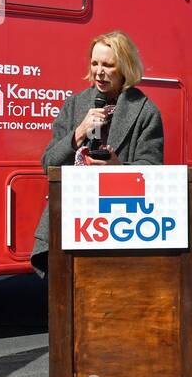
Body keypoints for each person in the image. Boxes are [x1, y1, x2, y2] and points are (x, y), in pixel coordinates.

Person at [31, 31, 164, 276]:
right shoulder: (74, 105)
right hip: (72, 220)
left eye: (108, 65)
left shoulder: (146, 112)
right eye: (95, 63)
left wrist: (117, 169)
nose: (99, 71)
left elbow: (153, 173)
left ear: (125, 67)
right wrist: (78, 132)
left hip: (119, 225)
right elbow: (48, 164)